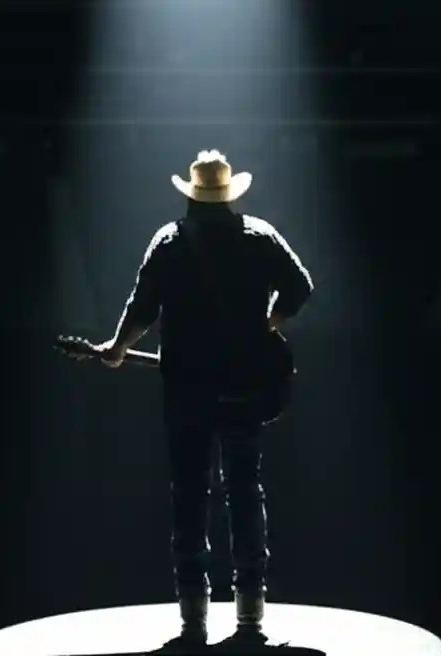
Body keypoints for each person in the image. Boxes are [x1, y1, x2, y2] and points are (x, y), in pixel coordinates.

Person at [86, 149, 313, 650]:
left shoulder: (169, 242)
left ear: (190, 197)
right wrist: (267, 325)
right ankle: (251, 620)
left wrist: (117, 349)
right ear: (229, 194)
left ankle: (194, 623)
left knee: (190, 498)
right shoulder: (259, 237)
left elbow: (141, 306)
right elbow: (300, 286)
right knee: (245, 494)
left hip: (186, 393)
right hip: (246, 390)